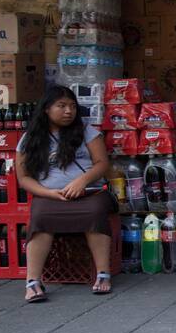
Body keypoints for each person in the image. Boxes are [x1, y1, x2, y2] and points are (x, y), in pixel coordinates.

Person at [15, 86, 114, 301]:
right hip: (49, 195)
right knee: (41, 217)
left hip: (90, 192)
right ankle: (32, 282)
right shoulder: (29, 139)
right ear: (46, 110)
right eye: (61, 106)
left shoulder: (87, 131)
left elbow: (102, 163)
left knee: (95, 213)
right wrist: (48, 193)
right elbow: (23, 178)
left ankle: (103, 274)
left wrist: (82, 181)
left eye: (72, 106)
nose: (69, 111)